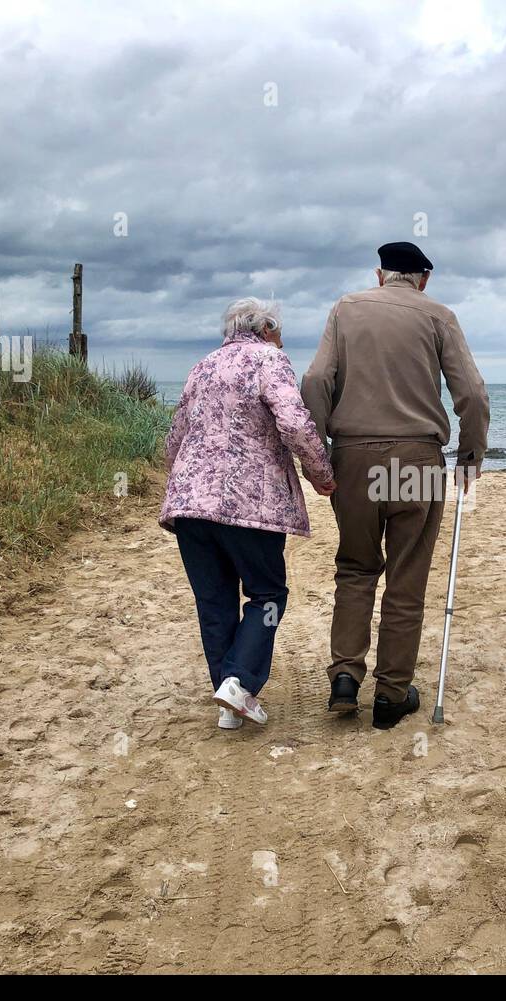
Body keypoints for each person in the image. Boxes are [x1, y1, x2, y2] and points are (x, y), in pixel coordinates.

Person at [301, 242, 489, 729]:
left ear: (380, 275)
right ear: (423, 279)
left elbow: (318, 379)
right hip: (417, 459)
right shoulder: (438, 315)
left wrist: (319, 449)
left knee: (356, 568)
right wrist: (470, 457)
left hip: (355, 458)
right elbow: (471, 392)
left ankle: (345, 676)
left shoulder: (346, 308)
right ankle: (390, 693)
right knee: (407, 578)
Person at [160, 297, 335, 730]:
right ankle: (238, 683)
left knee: (215, 602)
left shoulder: (203, 365)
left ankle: (229, 703)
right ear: (268, 328)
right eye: (280, 329)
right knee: (267, 596)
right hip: (249, 505)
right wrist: (322, 474)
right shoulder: (269, 360)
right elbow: (294, 424)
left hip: (191, 506)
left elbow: (175, 435)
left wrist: (183, 480)